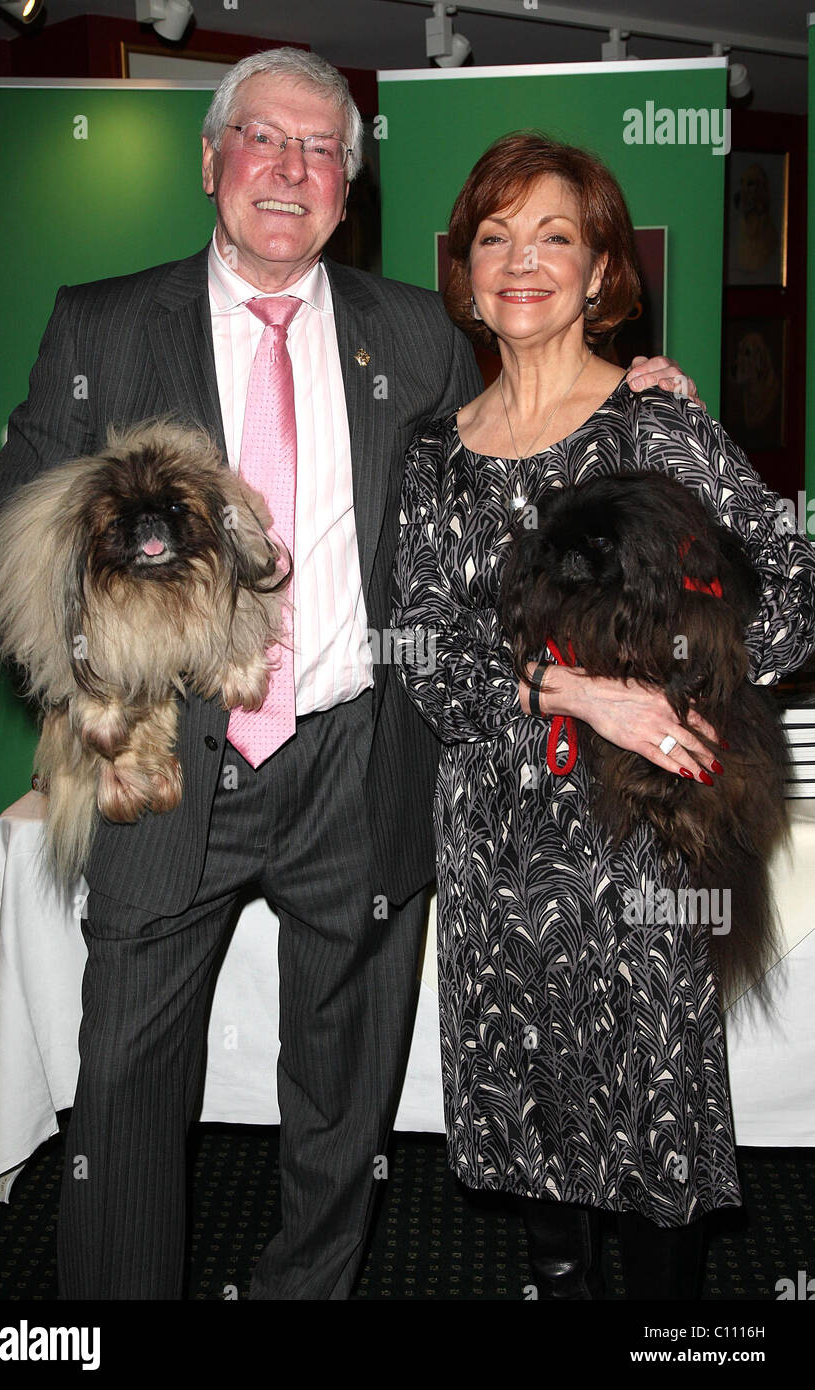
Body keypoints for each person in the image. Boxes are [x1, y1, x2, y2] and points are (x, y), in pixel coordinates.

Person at [0, 55, 694, 1301]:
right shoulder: (99, 322)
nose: (290, 169)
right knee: (126, 1096)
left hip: (359, 758)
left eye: (322, 153)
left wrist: (632, 388)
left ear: (345, 193)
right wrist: (102, 682)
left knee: (340, 1105)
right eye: (262, 139)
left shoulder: (411, 332)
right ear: (212, 162)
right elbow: (18, 545)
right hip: (161, 764)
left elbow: (518, 458)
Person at [392, 131, 815, 1300]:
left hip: (637, 834)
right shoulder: (432, 454)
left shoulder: (656, 427)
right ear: (465, 272)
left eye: (553, 237)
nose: (521, 261)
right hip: (492, 839)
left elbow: (790, 600)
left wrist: (677, 678)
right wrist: (580, 687)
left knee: (652, 1119)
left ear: (598, 273)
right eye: (494, 237)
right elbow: (428, 657)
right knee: (531, 1129)